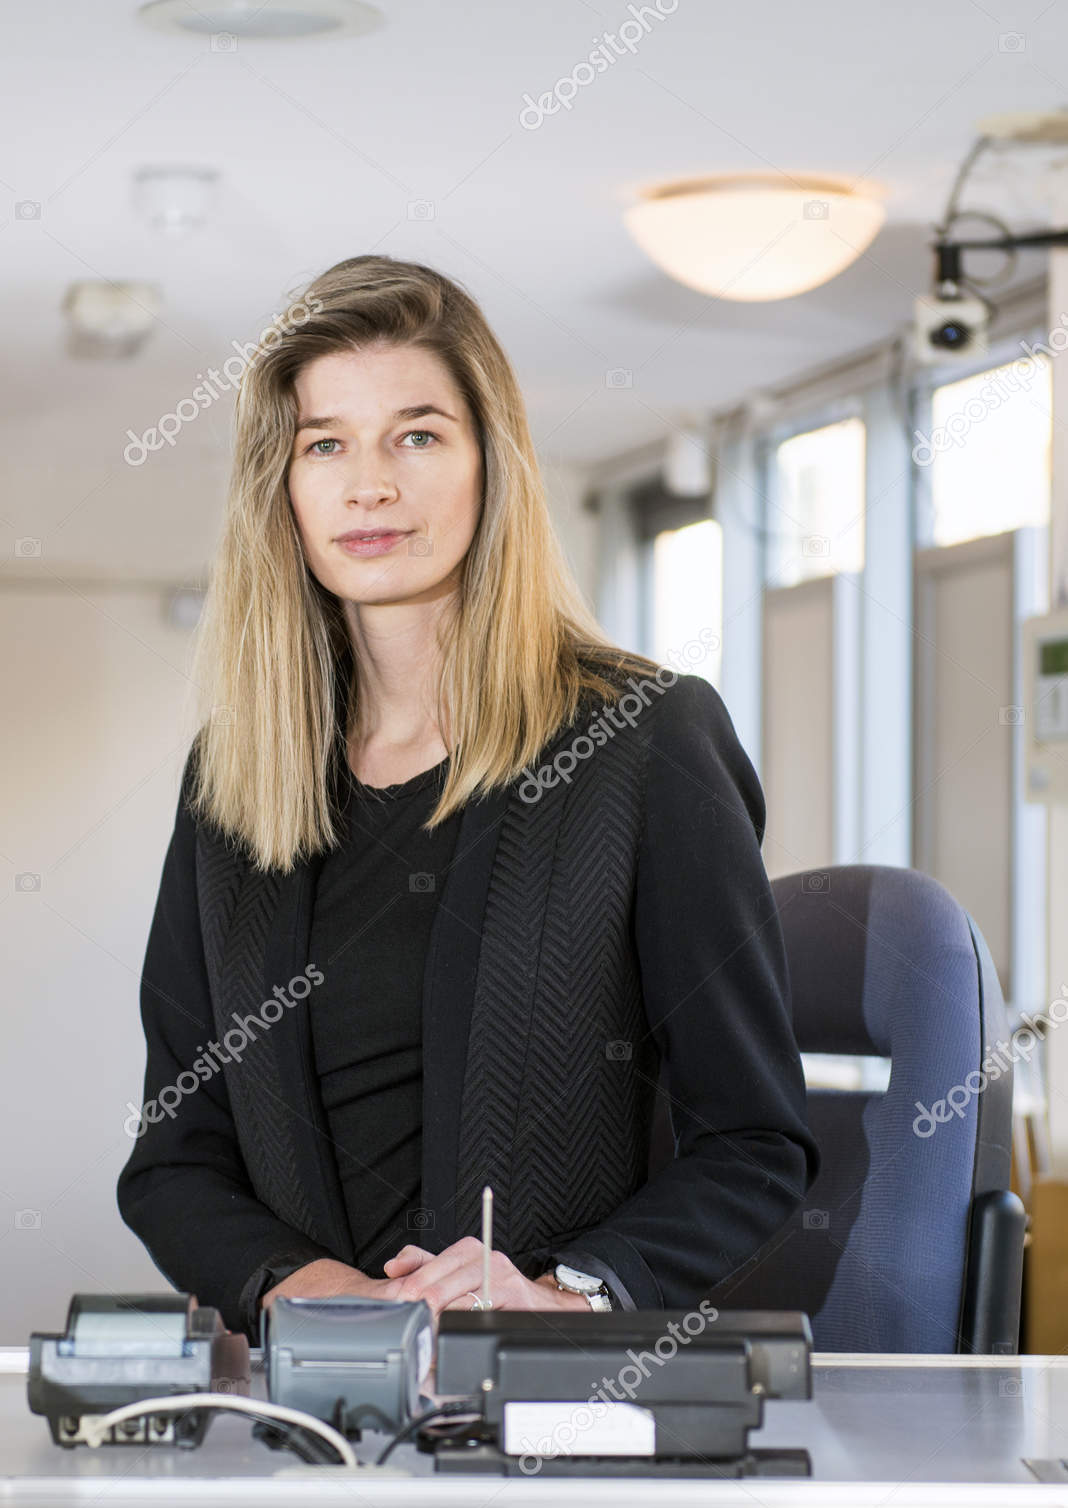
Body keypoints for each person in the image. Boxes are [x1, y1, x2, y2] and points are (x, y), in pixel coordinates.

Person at [116, 254, 819, 1347]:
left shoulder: (646, 740)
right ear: (280, 487)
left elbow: (754, 1141)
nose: (370, 485)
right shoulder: (234, 776)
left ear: (494, 463)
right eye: (324, 444)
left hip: (540, 1396)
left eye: (417, 435)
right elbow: (175, 1158)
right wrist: (320, 1292)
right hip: (315, 1399)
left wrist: (566, 1294)